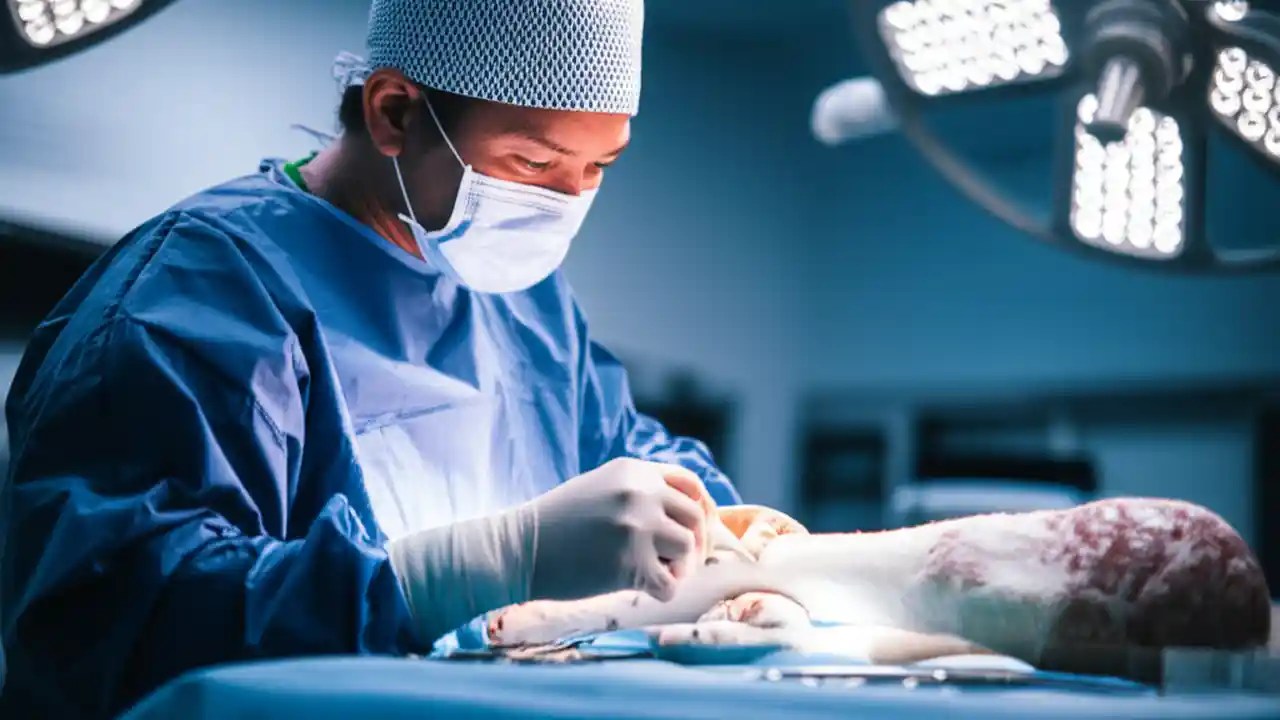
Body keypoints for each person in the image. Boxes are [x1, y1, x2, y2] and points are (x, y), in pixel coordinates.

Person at [0, 0, 798, 717]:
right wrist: (478, 568)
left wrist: (730, 533)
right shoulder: (197, 297)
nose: (566, 201)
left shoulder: (526, 307)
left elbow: (630, 457)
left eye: (597, 169)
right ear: (394, 112)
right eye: (532, 164)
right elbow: (121, 624)